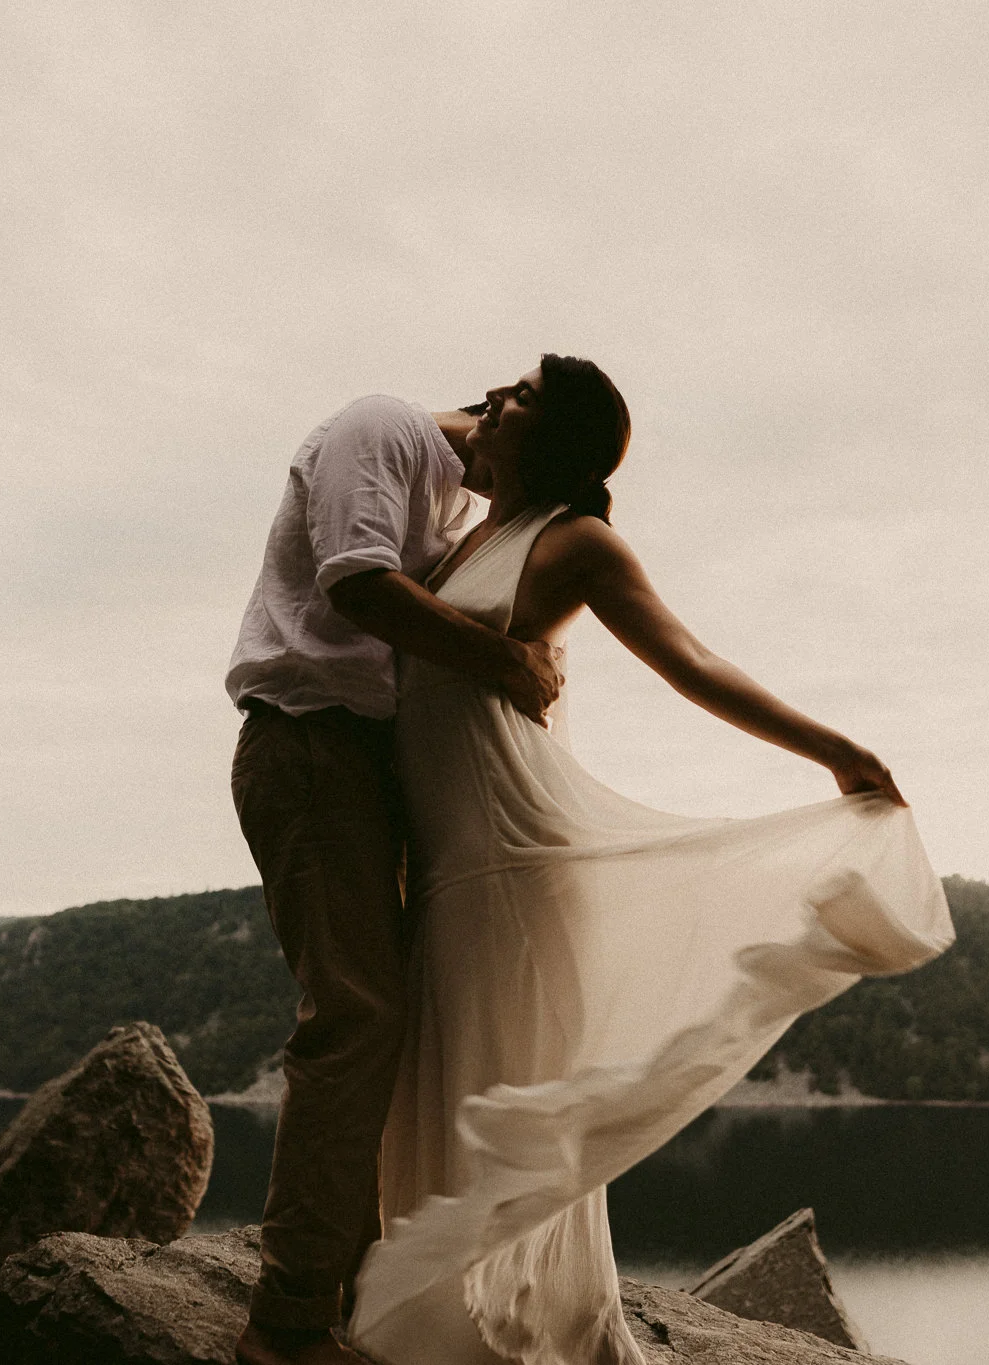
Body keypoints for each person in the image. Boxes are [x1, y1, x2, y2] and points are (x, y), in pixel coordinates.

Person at [343, 356, 957, 1365]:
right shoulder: (460, 540)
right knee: (435, 1113)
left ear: (559, 442)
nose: (489, 402)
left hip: (511, 866)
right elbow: (409, 429)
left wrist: (833, 752)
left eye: (520, 397)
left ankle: (528, 1333)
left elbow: (692, 661)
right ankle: (451, 1334)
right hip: (444, 868)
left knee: (500, 1107)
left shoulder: (573, 540)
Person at [225, 391, 562, 1365]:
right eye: (519, 483)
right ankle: (284, 1324)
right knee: (356, 1017)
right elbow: (356, 583)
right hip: (309, 746)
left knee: (391, 1023)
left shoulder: (452, 500)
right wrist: (505, 663)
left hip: (366, 768)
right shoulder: (382, 429)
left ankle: (357, 1284)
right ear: (502, 410)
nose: (505, 504)